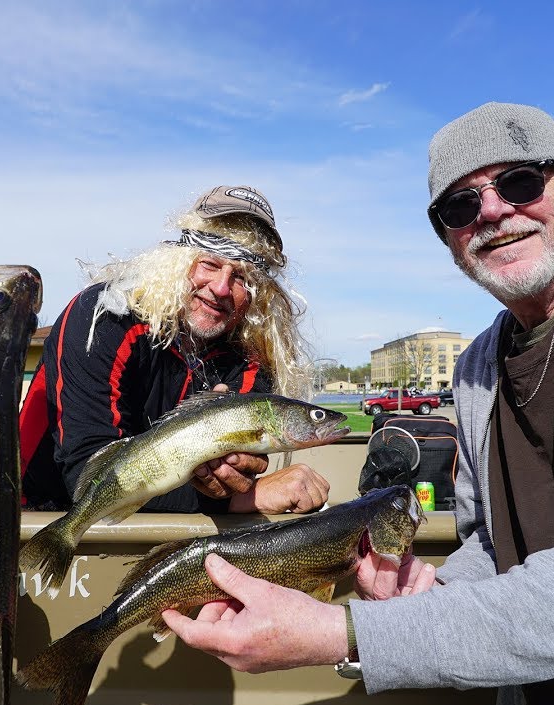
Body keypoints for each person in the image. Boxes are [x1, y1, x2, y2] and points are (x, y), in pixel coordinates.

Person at [162, 102, 554, 705]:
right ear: (450, 240)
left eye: (520, 182)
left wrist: (343, 633)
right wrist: (432, 590)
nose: (494, 212)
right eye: (461, 206)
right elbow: (491, 545)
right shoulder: (478, 365)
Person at [19, 185, 331, 514]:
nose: (221, 288)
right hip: (45, 517)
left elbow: (230, 479)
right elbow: (85, 474)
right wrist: (245, 499)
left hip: (178, 526)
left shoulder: (253, 357)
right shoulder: (103, 318)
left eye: (242, 277)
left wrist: (234, 478)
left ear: (258, 296)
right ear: (177, 261)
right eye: (210, 263)